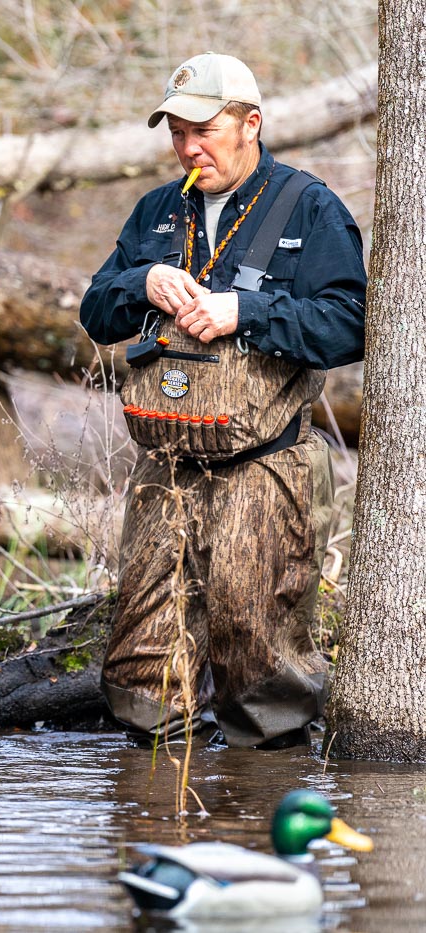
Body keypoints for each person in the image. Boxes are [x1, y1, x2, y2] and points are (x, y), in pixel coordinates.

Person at [80, 52, 367, 749]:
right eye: (176, 131)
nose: (188, 147)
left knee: (257, 652)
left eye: (203, 129)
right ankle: (153, 813)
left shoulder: (309, 206)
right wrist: (140, 282)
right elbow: (96, 310)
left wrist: (247, 311)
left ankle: (262, 806)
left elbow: (349, 324)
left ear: (251, 124)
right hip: (164, 468)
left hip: (264, 466)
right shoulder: (156, 210)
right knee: (141, 658)